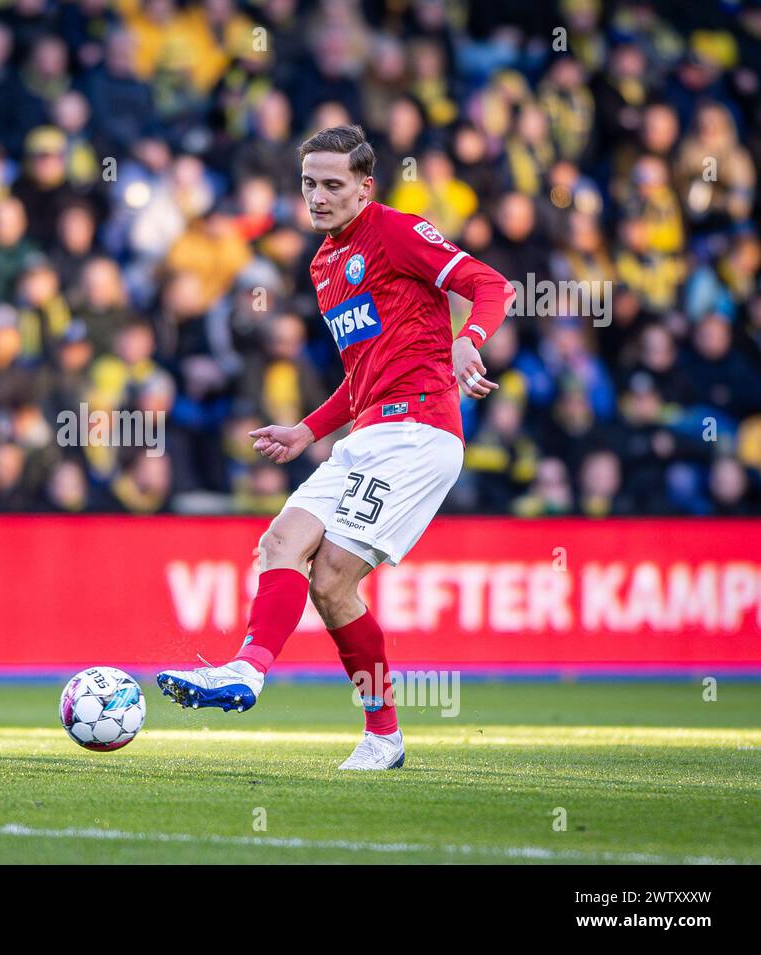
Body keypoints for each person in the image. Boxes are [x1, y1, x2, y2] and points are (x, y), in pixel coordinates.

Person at [157, 125, 514, 769]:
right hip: (367, 432)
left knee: (333, 576)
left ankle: (376, 731)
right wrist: (305, 431)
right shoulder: (324, 265)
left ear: (363, 187)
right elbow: (362, 375)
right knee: (282, 546)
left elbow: (492, 285)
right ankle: (255, 676)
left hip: (420, 433)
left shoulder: (397, 231)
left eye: (331, 185)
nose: (317, 197)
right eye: (308, 184)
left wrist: (471, 338)